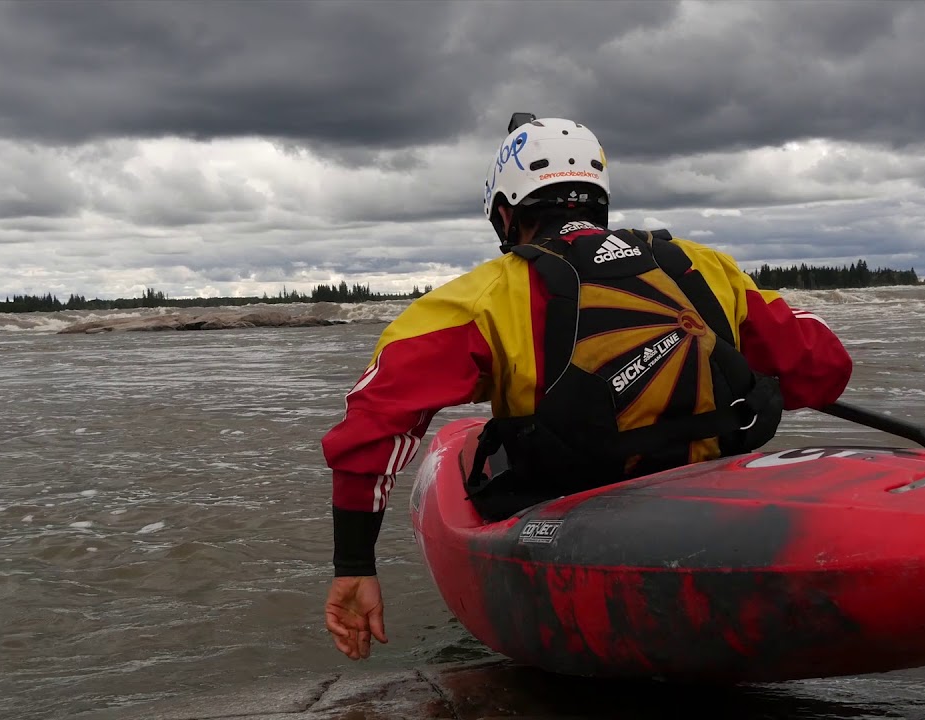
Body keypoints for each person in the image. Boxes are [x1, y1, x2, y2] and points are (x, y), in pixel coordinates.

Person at [320, 114, 854, 661]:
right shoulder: (705, 267)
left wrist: (354, 566)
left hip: (583, 523)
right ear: (597, 200)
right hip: (719, 510)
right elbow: (824, 368)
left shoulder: (479, 298)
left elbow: (372, 431)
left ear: (505, 214)